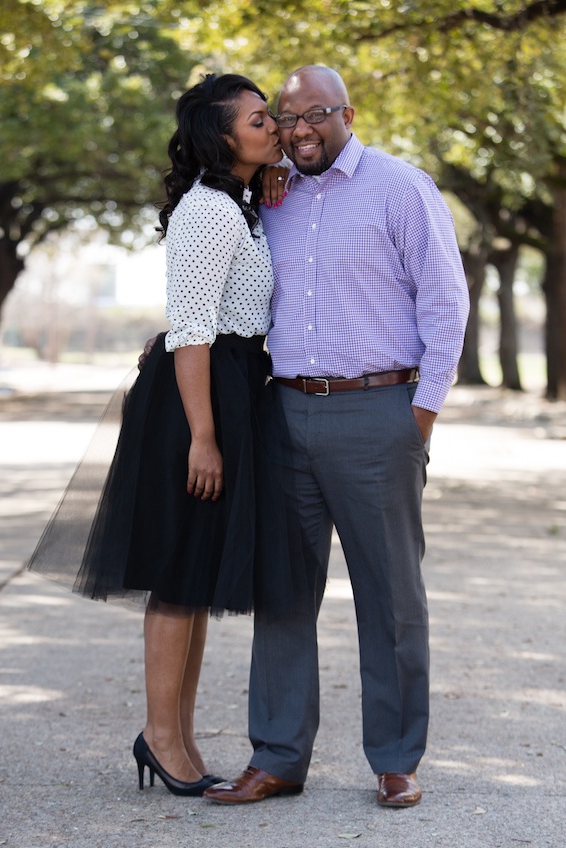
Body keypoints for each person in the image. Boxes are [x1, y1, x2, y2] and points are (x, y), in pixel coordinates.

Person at [204, 65, 470, 809]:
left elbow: (445, 303)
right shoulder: (272, 193)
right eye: (286, 120)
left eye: (314, 115)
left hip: (378, 412)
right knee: (283, 592)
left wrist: (420, 416)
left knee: (389, 596)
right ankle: (279, 757)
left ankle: (395, 759)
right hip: (285, 414)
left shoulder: (400, 187)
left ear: (347, 112)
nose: (299, 131)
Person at [29, 73, 294, 798]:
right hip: (196, 401)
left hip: (231, 390)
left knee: (197, 575)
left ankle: (175, 732)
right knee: (179, 573)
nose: (273, 127)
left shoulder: (240, 206)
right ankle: (162, 736)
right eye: (257, 119)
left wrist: (271, 186)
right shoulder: (209, 212)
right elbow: (192, 330)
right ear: (220, 135)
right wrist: (202, 438)